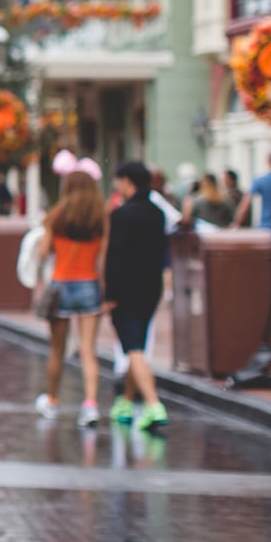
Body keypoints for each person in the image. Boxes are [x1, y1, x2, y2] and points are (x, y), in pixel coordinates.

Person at [33, 168, 108, 426]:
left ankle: (52, 401)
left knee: (57, 349)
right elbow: (103, 259)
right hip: (89, 284)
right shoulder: (101, 217)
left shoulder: (57, 216)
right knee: (88, 350)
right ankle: (90, 405)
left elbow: (43, 252)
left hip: (61, 285)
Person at [105, 160, 169, 431]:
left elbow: (115, 257)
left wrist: (110, 294)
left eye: (119, 181)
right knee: (137, 346)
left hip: (126, 291)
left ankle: (154, 405)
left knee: (133, 348)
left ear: (127, 181)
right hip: (150, 289)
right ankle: (127, 402)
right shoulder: (158, 213)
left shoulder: (121, 215)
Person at [234, 151, 271, 323]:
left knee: (266, 274)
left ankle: (266, 313)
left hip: (266, 232)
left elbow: (245, 204)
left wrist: (236, 224)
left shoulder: (261, 180)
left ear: (270, 161)